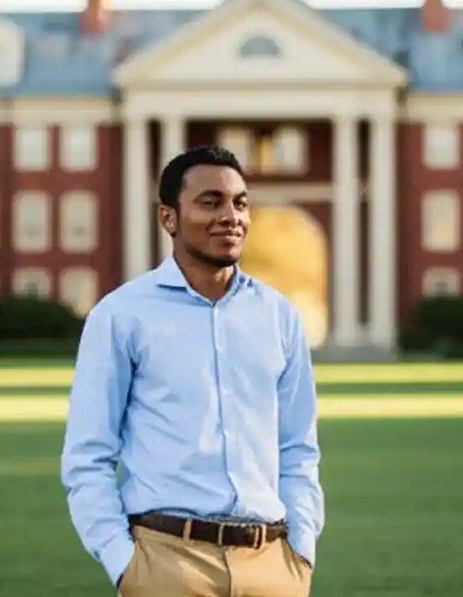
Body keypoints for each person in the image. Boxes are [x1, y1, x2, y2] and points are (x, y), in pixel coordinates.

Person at [61, 145, 324, 596]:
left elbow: (298, 448)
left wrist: (301, 550)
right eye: (211, 202)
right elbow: (88, 456)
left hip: (272, 565)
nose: (231, 216)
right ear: (169, 218)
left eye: (240, 203)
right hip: (167, 564)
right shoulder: (122, 315)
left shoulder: (279, 316)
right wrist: (124, 564)